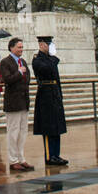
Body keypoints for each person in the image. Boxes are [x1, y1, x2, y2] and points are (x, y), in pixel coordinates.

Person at [31, 36, 68, 166]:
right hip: (45, 95)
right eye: (47, 44)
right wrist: (53, 57)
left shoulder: (50, 59)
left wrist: (59, 95)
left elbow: (56, 78)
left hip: (54, 93)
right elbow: (47, 69)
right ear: (41, 45)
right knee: (47, 127)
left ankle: (56, 154)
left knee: (56, 126)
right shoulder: (37, 59)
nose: (49, 46)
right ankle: (49, 155)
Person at [0, 37, 33, 171]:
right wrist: (19, 73)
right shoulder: (5, 62)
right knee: (13, 132)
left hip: (24, 101)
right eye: (19, 47)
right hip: (13, 101)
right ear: (11, 47)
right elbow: (7, 79)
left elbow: (28, 77)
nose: (21, 50)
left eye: (22, 47)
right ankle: (13, 160)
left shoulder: (23, 61)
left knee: (23, 131)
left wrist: (22, 74)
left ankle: (21, 158)